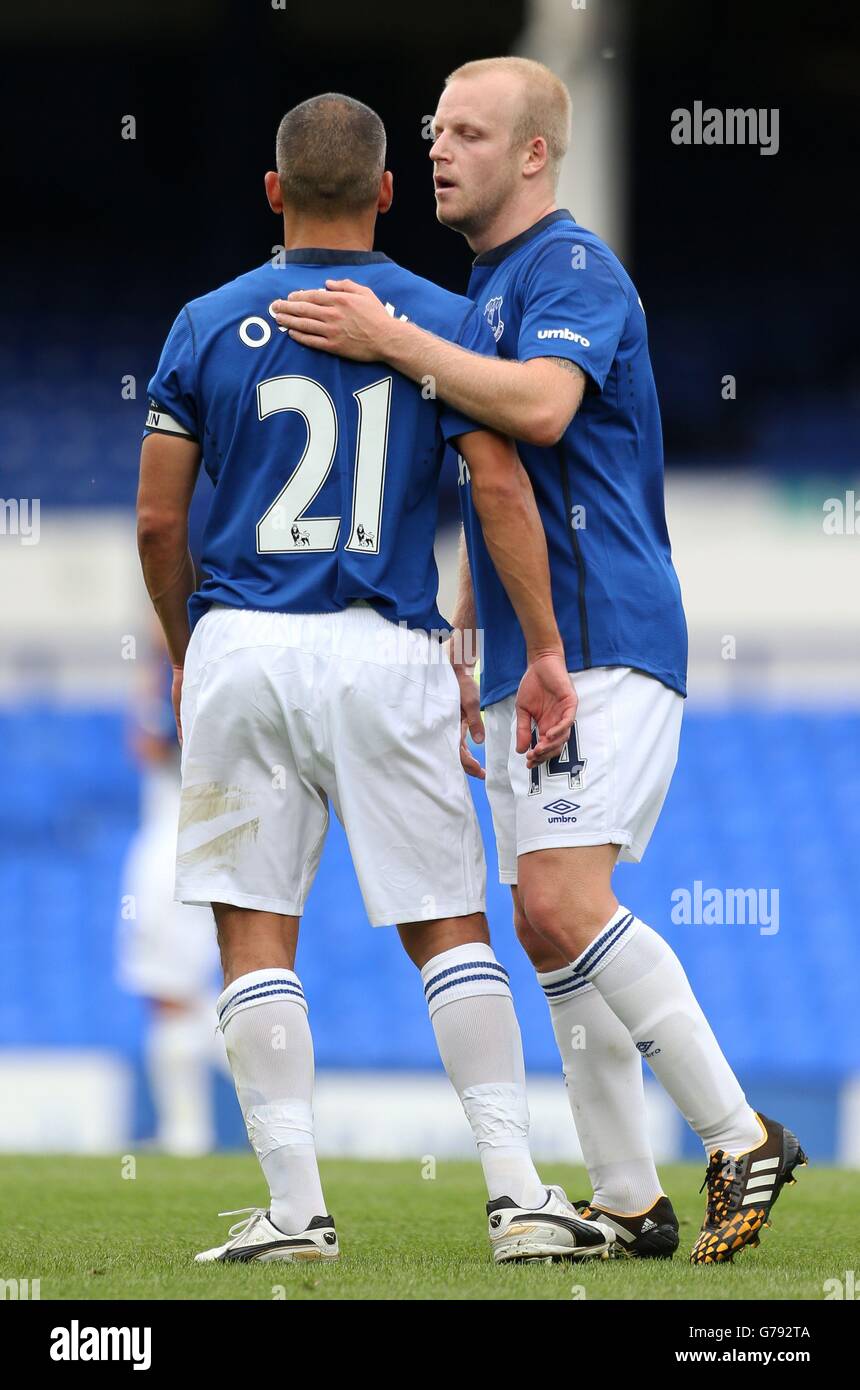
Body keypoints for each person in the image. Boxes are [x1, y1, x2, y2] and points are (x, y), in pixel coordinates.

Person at [274, 58, 806, 1265]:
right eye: (433, 129)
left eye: (468, 131)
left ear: (532, 155)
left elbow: (544, 410)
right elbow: (490, 484)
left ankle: (739, 1134)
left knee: (567, 899)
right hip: (529, 649)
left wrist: (390, 337)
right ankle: (625, 1199)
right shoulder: (489, 283)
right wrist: (474, 638)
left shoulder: (569, 268)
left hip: (603, 634)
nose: (440, 149)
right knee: (543, 923)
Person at [137, 92, 615, 1265]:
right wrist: (536, 645)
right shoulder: (441, 318)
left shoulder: (204, 320)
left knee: (254, 934)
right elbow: (499, 490)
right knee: (449, 928)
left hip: (242, 641)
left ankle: (296, 1213)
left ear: (271, 193)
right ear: (389, 194)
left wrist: (189, 650)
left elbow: (158, 519)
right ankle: (515, 1198)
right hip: (387, 646)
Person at [117, 623, 224, 1155]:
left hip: (179, 832)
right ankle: (188, 1132)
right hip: (201, 829)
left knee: (173, 993)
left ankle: (187, 1135)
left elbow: (150, 744)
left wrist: (147, 681)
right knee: (179, 992)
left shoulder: (182, 674)